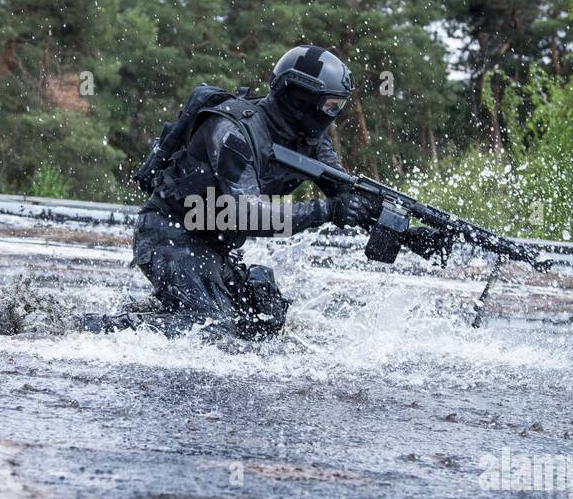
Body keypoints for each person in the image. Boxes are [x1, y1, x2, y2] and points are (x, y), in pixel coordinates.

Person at [85, 45, 381, 338]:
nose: (334, 115)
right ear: (301, 98)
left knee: (263, 319)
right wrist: (324, 211)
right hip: (169, 235)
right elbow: (245, 214)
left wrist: (407, 232)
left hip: (211, 247)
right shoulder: (232, 132)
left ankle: (159, 309)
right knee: (209, 328)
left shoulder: (310, 139)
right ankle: (91, 330)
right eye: (331, 107)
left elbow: (347, 194)